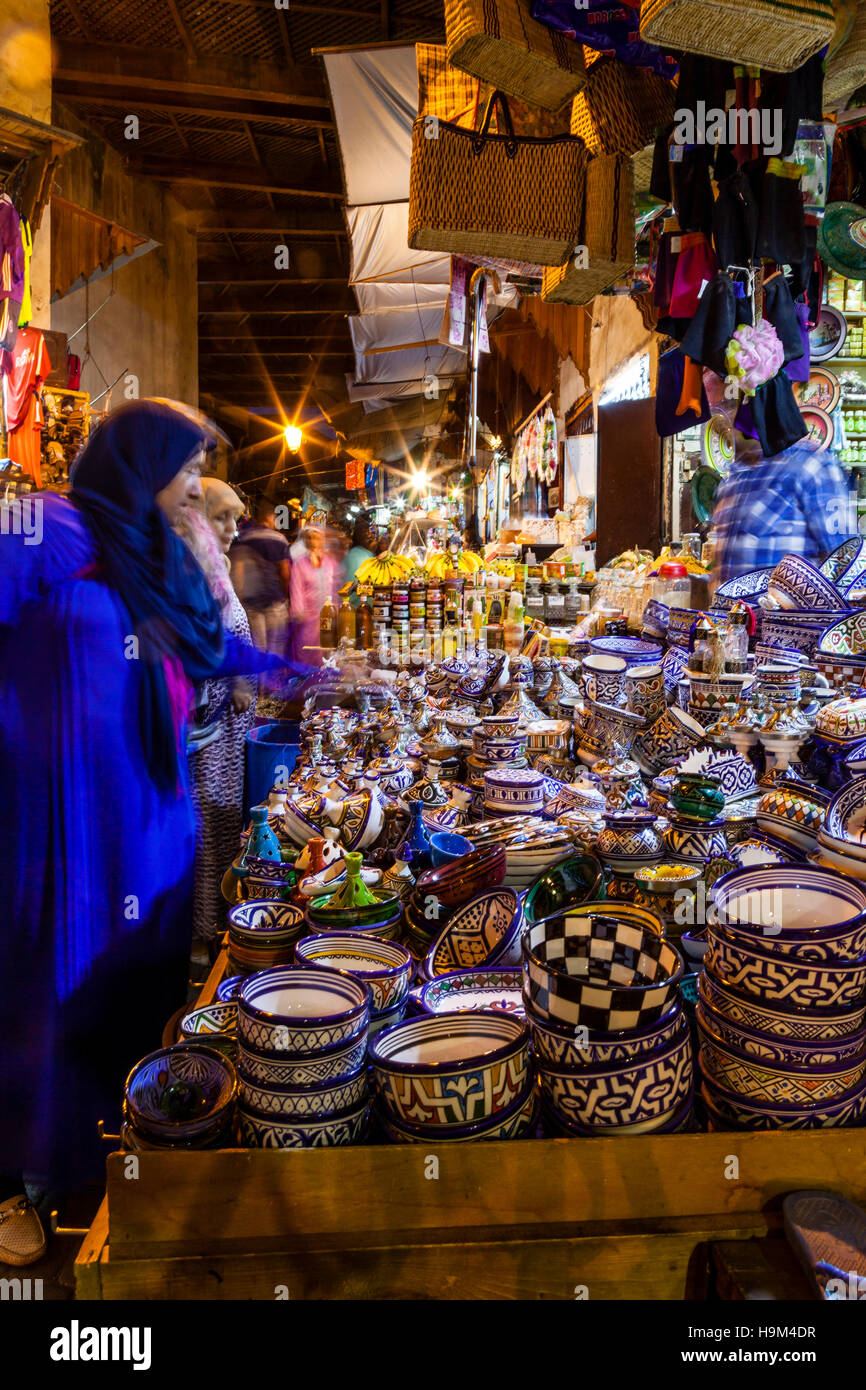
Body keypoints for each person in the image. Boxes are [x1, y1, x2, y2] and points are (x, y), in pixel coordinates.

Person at [0, 400, 286, 1263]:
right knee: (37, 997)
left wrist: (305, 667)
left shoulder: (158, 558)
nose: (199, 489)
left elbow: (210, 651)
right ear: (138, 465)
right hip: (55, 826)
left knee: (129, 999)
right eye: (186, 470)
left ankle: (98, 1167)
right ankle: (12, 1188)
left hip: (145, 826)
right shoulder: (44, 529)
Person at [179, 477, 257, 949]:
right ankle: (204, 946)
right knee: (208, 840)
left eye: (235, 518)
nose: (231, 528)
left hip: (227, 737)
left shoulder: (215, 567)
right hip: (206, 739)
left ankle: (218, 935)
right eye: (219, 516)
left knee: (225, 832)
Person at [707, 432, 854, 587]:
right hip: (729, 610)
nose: (727, 419)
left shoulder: (809, 465)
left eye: (731, 407)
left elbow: (844, 558)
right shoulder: (731, 481)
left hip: (786, 610)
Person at [230, 497, 291, 654]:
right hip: (274, 603)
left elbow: (236, 571)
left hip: (251, 604)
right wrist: (286, 598)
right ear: (270, 517)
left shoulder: (243, 538)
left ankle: (260, 678)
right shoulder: (278, 539)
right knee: (275, 648)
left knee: (258, 648)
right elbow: (284, 573)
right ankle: (273, 678)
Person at [289, 525, 338, 664]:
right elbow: (296, 588)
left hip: (327, 614)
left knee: (326, 649)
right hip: (308, 617)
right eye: (309, 538)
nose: (312, 541)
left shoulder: (329, 562)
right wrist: (299, 612)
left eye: (316, 538)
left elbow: (333, 586)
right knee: (307, 648)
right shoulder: (300, 562)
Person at [344, 516, 374, 604]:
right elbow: (350, 586)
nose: (370, 535)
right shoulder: (354, 556)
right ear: (358, 535)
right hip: (357, 609)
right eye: (366, 532)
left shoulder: (367, 553)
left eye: (370, 531)